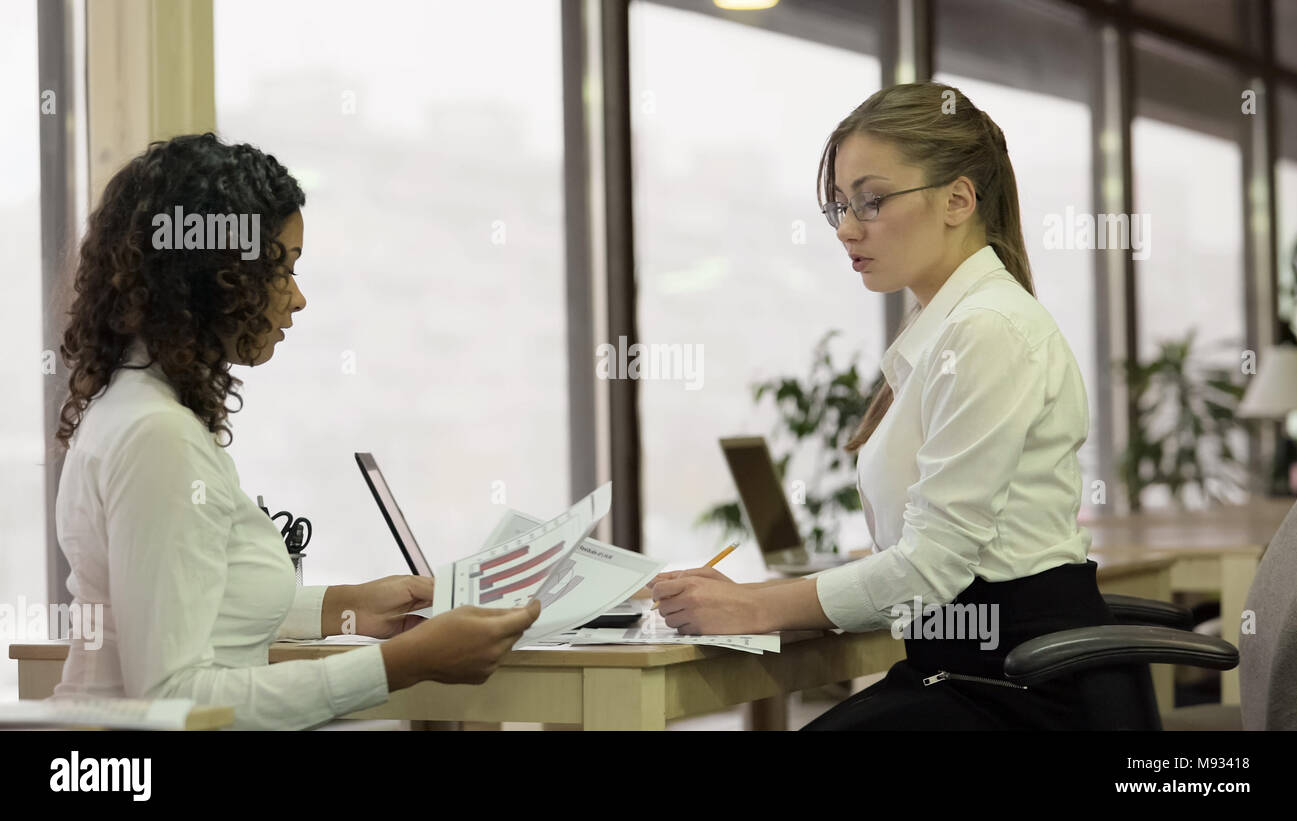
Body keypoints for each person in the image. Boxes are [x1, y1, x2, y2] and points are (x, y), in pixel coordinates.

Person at [648, 82, 1114, 730]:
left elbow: (933, 568)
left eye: (870, 201)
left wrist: (756, 605)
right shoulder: (947, 328)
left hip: (1017, 688)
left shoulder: (988, 331)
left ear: (958, 199)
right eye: (839, 205)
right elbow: (935, 551)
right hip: (966, 667)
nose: (845, 228)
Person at [51, 132, 540, 730]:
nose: (298, 298)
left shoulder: (134, 408)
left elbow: (197, 610)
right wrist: (399, 664)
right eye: (281, 268)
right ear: (215, 274)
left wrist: (344, 608)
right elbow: (174, 699)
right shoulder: (159, 437)